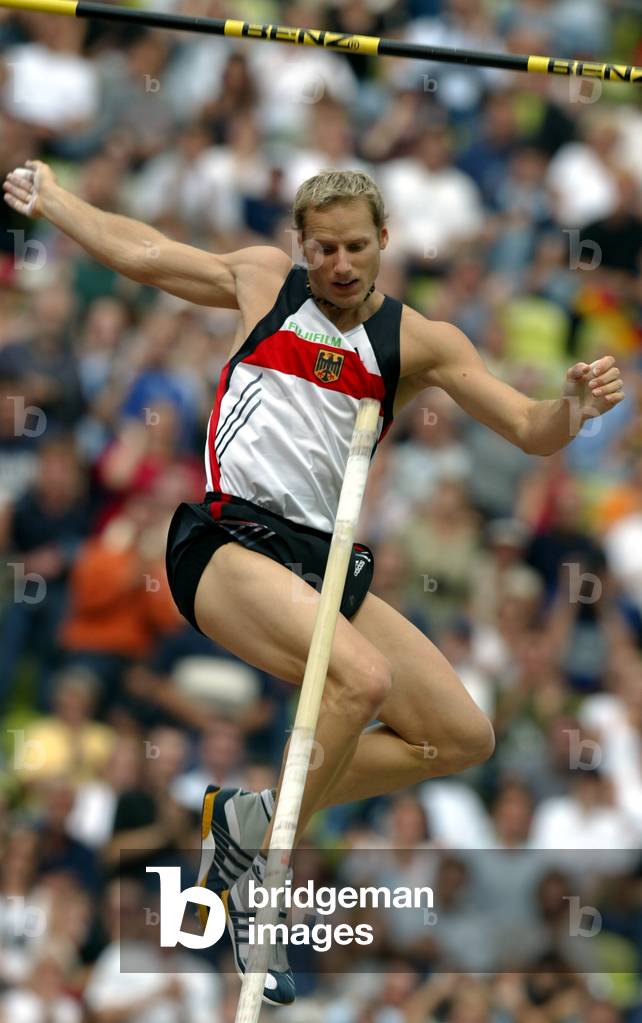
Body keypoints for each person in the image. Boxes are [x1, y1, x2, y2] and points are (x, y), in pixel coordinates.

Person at [3, 161, 625, 1005]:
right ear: (302, 244)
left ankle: (246, 823)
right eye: (324, 247)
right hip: (225, 541)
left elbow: (527, 428)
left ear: (385, 243)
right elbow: (145, 254)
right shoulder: (265, 280)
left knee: (460, 736)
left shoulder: (421, 340)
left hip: (321, 561)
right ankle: (263, 878)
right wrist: (57, 200)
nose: (340, 263)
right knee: (359, 676)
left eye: (356, 247)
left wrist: (572, 409)